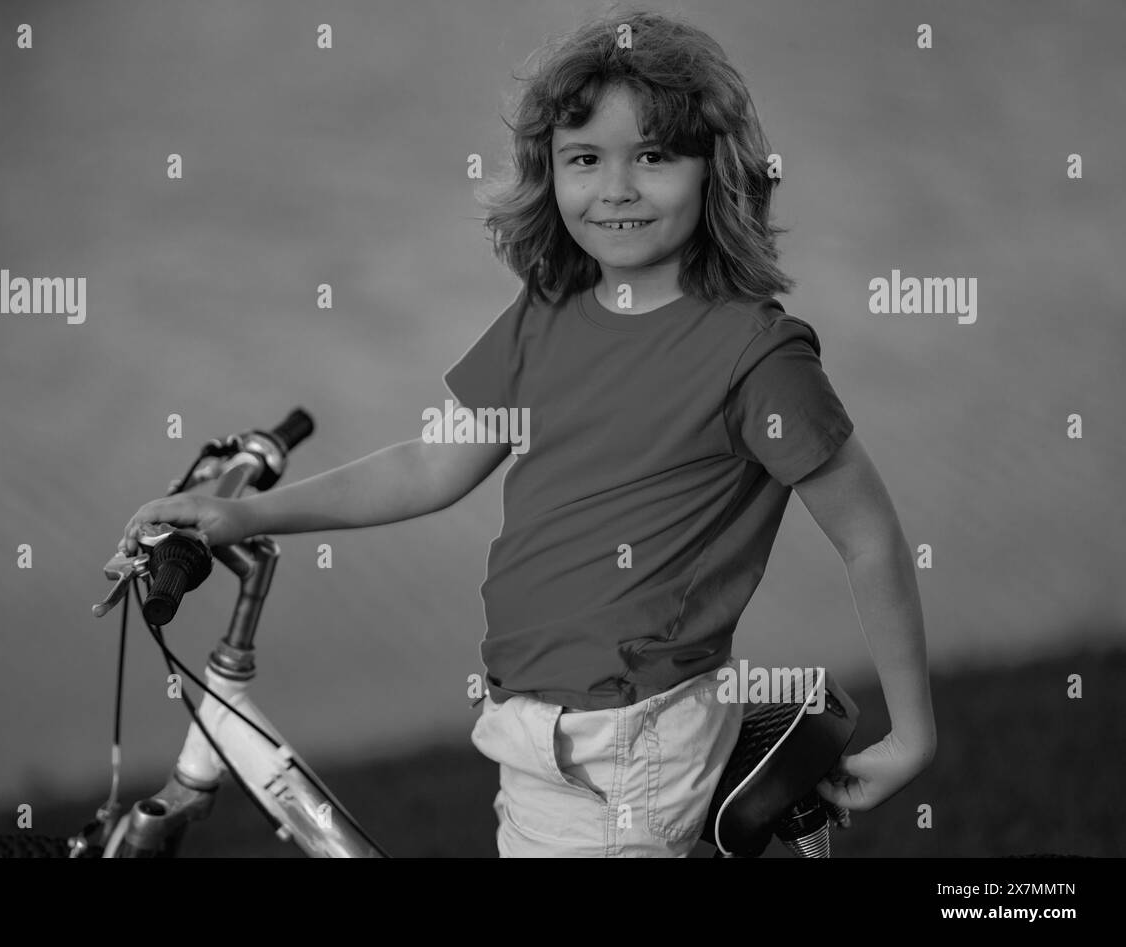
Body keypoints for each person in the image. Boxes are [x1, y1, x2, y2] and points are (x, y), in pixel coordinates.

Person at [119, 9, 936, 857]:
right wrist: (243, 515)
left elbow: (869, 535)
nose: (616, 188)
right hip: (538, 727)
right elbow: (429, 465)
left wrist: (911, 735)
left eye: (653, 156)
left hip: (626, 743)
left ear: (715, 170)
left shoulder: (754, 354)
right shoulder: (548, 313)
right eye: (584, 159)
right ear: (549, 172)